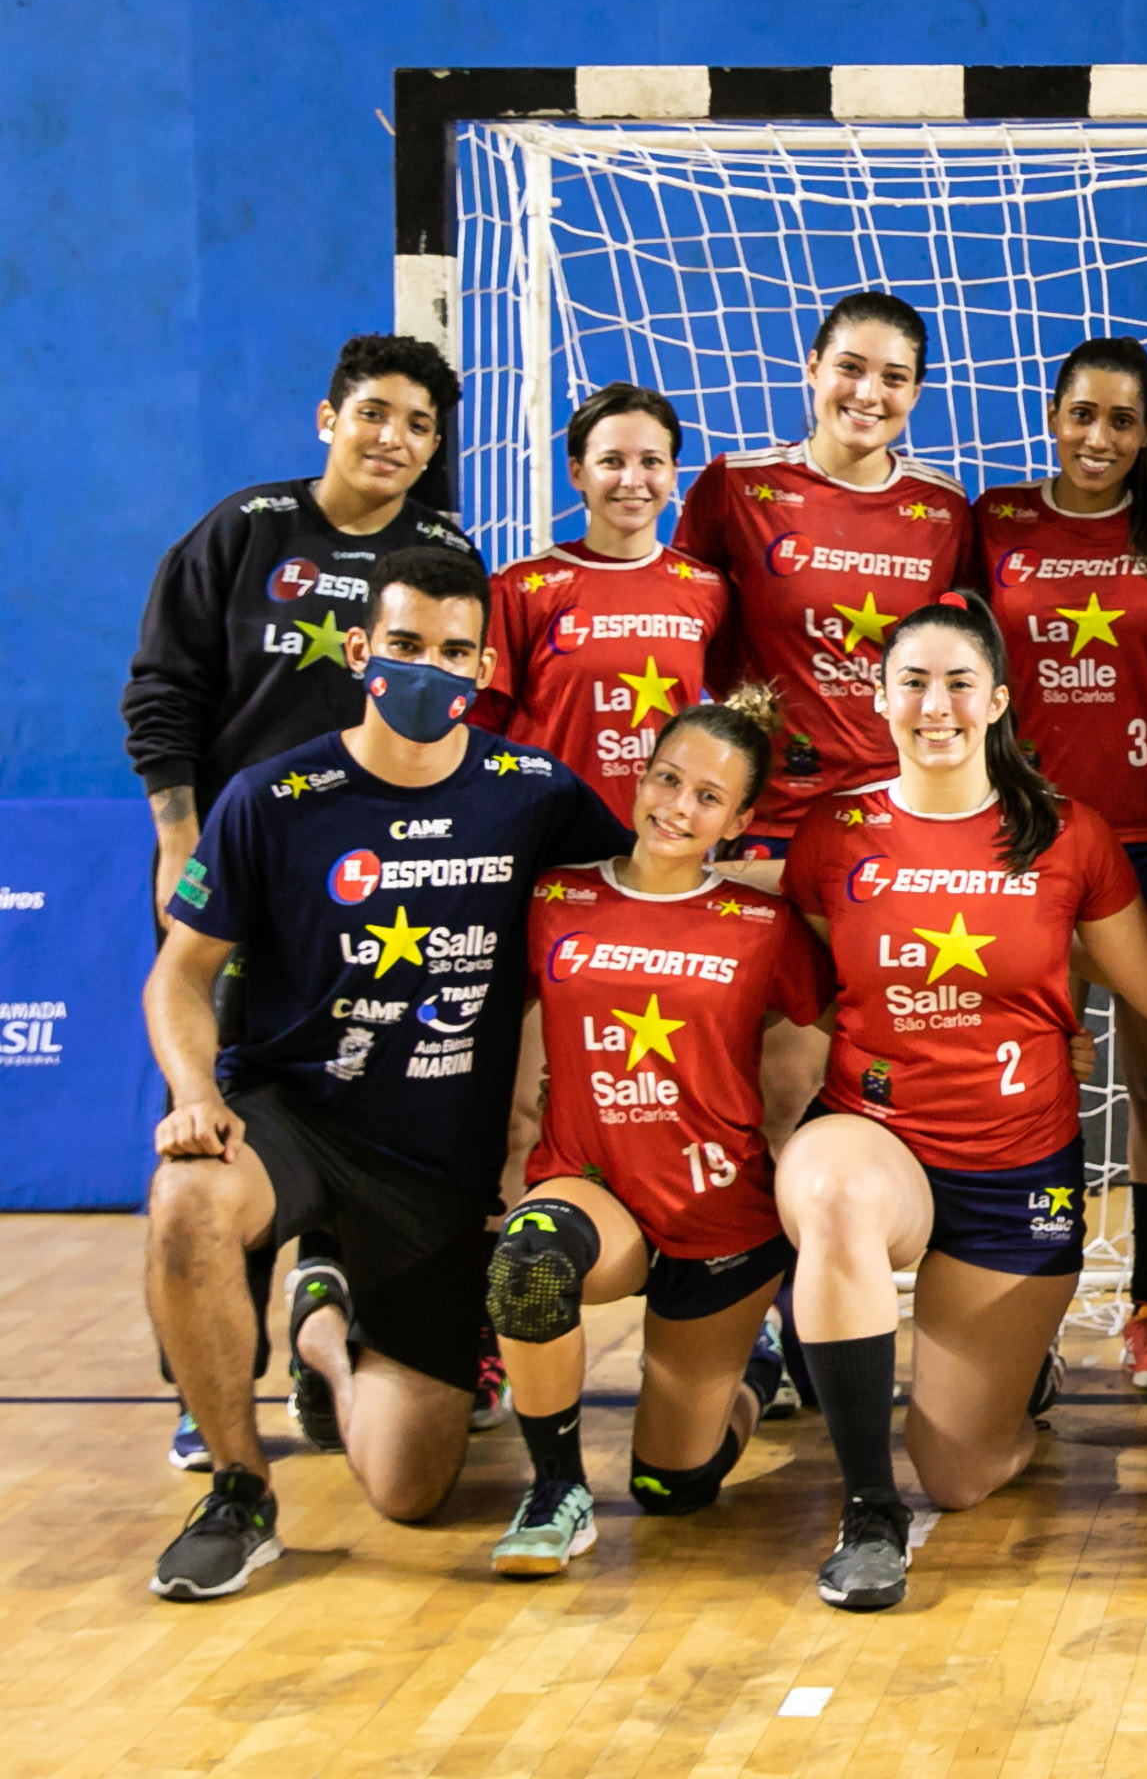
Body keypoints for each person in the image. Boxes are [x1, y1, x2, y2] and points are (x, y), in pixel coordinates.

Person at [141, 547, 631, 1600]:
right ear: (362, 649)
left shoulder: (536, 793)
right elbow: (178, 975)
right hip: (297, 1120)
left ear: (485, 662)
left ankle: (321, 1321)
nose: (430, 670)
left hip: (440, 1164)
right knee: (187, 1197)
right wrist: (195, 1096)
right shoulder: (271, 796)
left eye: (456, 651)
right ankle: (237, 1490)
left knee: (411, 1489)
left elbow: (638, 902)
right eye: (406, 646)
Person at [777, 594, 1147, 1610]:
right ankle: (869, 1509)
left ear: (1001, 699)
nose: (937, 703)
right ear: (878, 700)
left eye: (959, 681)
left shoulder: (1068, 834)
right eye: (914, 681)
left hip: (1014, 1167)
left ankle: (1016, 1389)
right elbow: (790, 987)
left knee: (960, 1473)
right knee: (834, 1196)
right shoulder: (833, 833)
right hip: (872, 1135)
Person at [121, 332, 477, 1469]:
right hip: (239, 878)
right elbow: (163, 687)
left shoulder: (441, 548)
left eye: (419, 425)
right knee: (219, 1115)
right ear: (328, 418)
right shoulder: (244, 529)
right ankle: (206, 1385)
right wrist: (180, 831)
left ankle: (359, 1318)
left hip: (382, 891)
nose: (394, 438)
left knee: (364, 1095)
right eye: (375, 413)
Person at [483, 686, 835, 1574]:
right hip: (593, 1189)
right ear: (639, 778)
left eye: (707, 797)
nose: (677, 807)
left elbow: (860, 1020)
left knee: (673, 1491)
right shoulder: (556, 897)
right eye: (667, 779)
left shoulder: (763, 926)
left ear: (742, 818)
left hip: (721, 1218)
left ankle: (755, 1375)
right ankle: (555, 1488)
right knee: (528, 1264)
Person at [975, 338, 1147, 1398]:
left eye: (1123, 420)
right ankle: (1023, 1314)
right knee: (1031, 1080)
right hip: (1024, 833)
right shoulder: (999, 521)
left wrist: (1145, 668)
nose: (1099, 438)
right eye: (1083, 414)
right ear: (1053, 414)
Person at [671, 292, 979, 871]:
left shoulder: (944, 507)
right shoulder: (736, 486)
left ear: (915, 393)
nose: (868, 394)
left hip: (903, 813)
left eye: (893, 378)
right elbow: (680, 623)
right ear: (813, 367)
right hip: (769, 814)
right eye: (850, 368)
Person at [477, 382, 733, 826]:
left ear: (673, 472)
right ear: (577, 472)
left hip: (665, 840)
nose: (632, 481)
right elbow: (479, 730)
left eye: (651, 462)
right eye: (611, 461)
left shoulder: (706, 588)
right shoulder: (520, 588)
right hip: (550, 841)